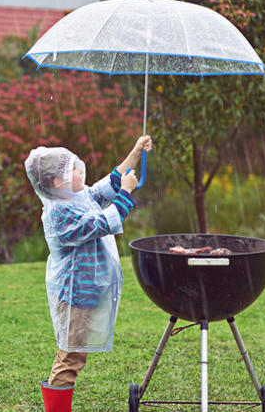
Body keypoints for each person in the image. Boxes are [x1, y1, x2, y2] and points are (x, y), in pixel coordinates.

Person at [24, 136, 153, 412]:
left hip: (84, 293)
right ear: (58, 182)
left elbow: (108, 185)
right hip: (75, 295)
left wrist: (135, 153)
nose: (80, 169)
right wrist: (126, 193)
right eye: (73, 168)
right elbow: (103, 222)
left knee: (73, 354)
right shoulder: (59, 213)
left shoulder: (76, 197)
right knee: (70, 356)